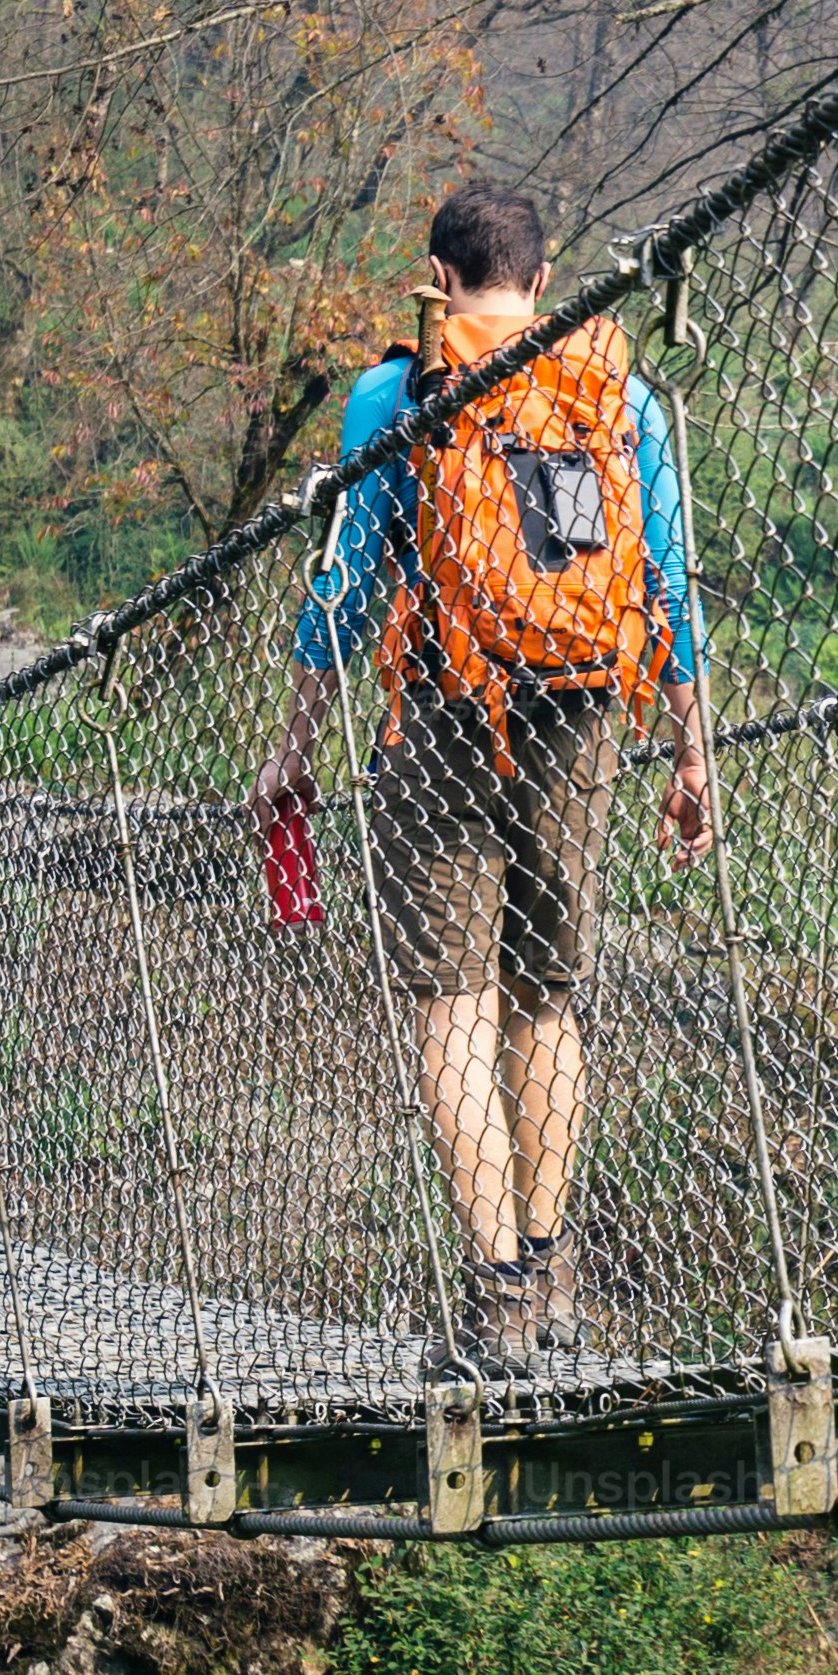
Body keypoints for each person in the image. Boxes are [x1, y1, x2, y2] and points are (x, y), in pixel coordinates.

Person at [255, 184, 717, 1366]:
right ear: (545, 277)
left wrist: (293, 750)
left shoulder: (396, 390)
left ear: (435, 274)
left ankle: (500, 1289)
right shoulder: (618, 386)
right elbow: (665, 578)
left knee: (452, 1006)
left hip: (442, 712)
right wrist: (691, 746)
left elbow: (347, 588)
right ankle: (558, 1272)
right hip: (580, 718)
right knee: (545, 1001)